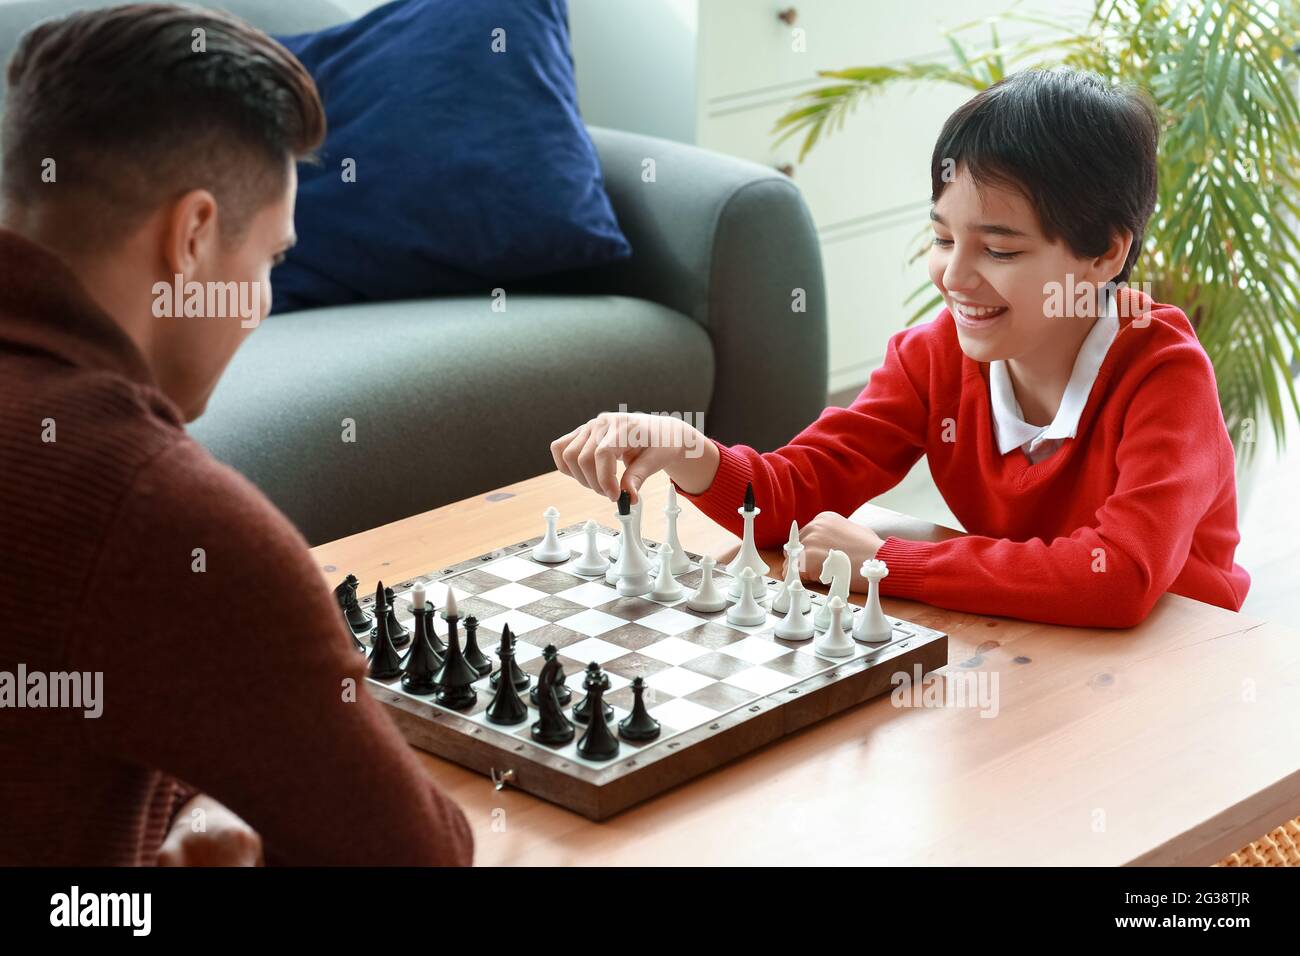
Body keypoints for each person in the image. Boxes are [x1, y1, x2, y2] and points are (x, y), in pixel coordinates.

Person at [0, 4, 471, 865]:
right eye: (272, 260)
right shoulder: (159, 511)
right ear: (192, 237)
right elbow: (417, 854)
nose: (262, 302)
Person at [551, 68, 1250, 629]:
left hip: (1181, 669)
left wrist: (891, 560)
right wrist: (686, 451)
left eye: (999, 248)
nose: (953, 275)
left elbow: (1120, 577)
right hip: (1030, 638)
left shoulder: (1163, 374)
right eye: (944, 239)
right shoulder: (932, 358)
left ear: (1104, 254)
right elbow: (791, 495)